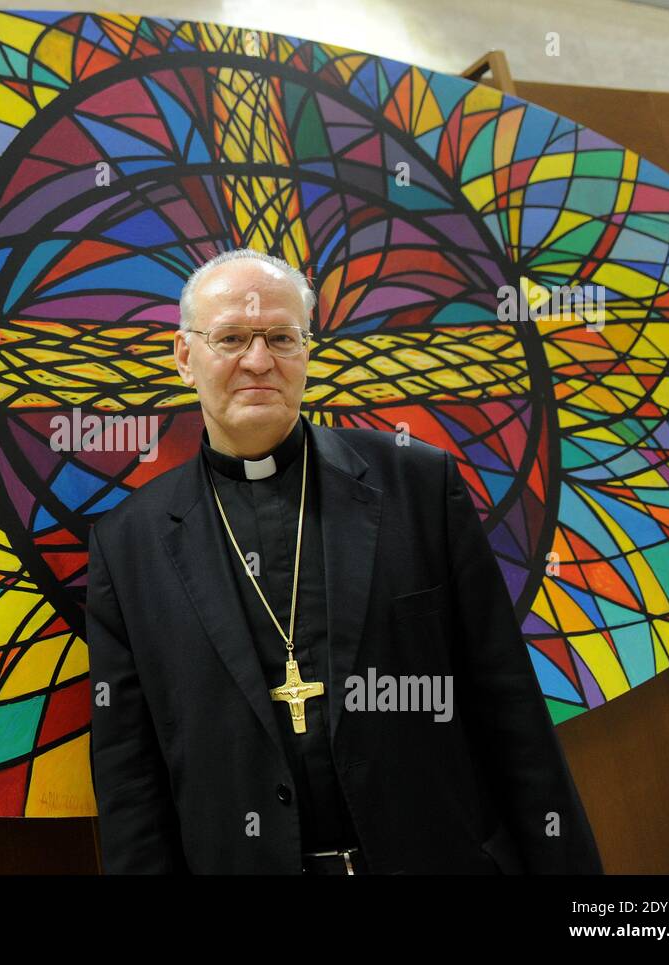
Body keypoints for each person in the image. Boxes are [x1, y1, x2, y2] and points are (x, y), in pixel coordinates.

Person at [85, 247, 603, 874]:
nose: (258, 361)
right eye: (230, 338)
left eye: (281, 336)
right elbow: (130, 778)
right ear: (185, 357)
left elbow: (508, 705)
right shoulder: (129, 544)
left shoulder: (417, 485)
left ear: (307, 351)